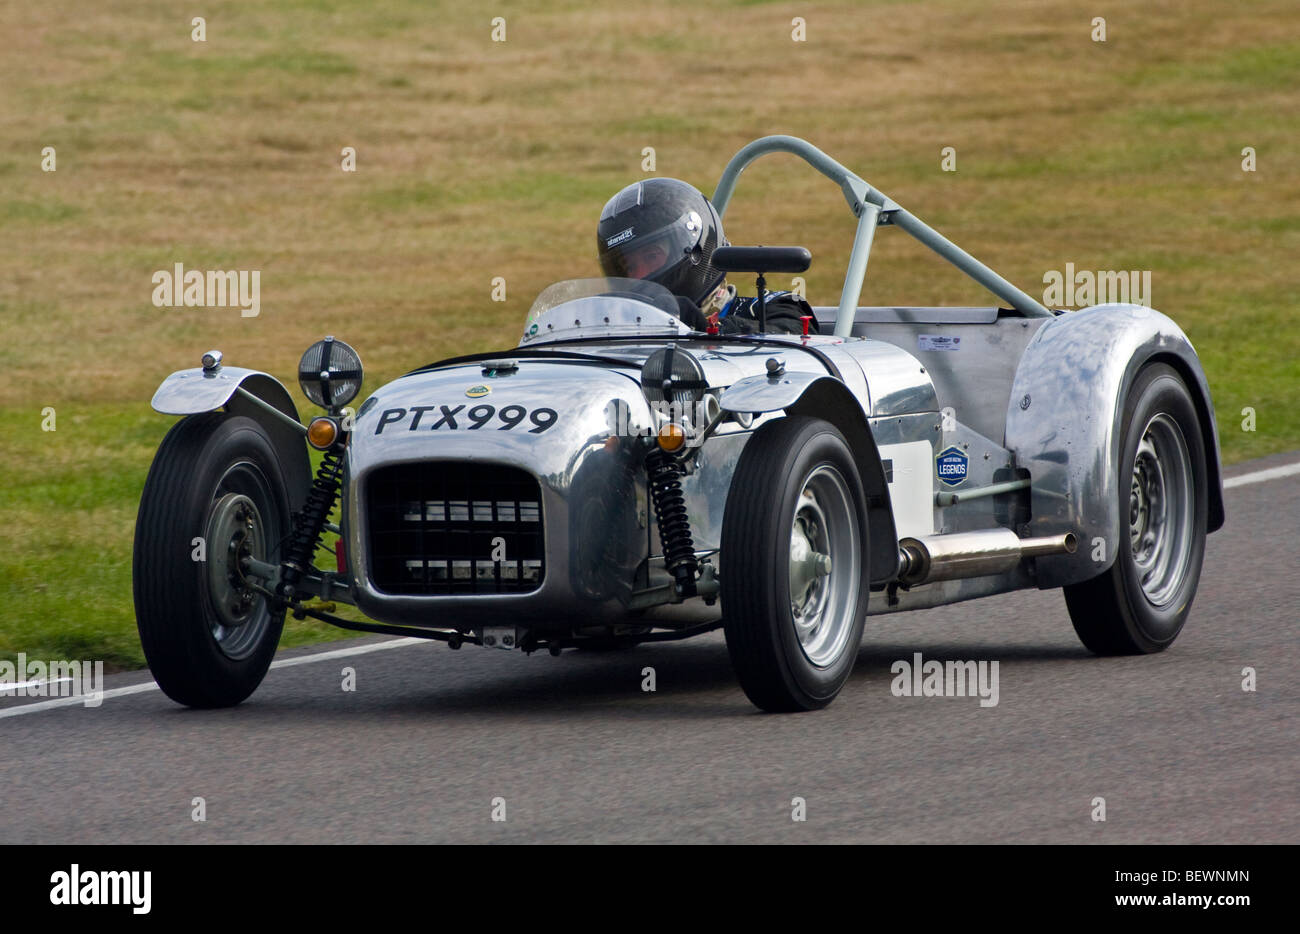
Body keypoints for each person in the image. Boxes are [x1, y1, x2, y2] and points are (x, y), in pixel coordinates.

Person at [596, 178, 817, 335]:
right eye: (628, 267)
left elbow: (792, 335)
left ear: (696, 252)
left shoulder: (771, 308)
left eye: (651, 257)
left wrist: (698, 324)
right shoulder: (618, 330)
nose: (639, 275)